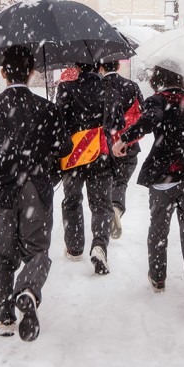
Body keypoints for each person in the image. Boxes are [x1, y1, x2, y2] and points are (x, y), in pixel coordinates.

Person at [0, 46, 70, 342]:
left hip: (3, 189)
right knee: (37, 250)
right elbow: (65, 149)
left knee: (5, 251)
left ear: (2, 72)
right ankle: (27, 290)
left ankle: (5, 313)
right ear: (32, 73)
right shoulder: (47, 109)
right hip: (36, 187)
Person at [111, 63, 184, 313]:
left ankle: (158, 277)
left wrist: (124, 139)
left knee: (159, 227)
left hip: (163, 177)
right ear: (181, 79)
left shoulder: (156, 101)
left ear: (157, 81)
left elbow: (151, 120)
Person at [56, 61, 124, 275]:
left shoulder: (66, 88)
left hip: (73, 156)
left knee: (72, 200)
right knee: (102, 204)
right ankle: (99, 246)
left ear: (77, 66)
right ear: (100, 67)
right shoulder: (110, 91)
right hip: (101, 155)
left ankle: (75, 248)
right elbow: (117, 124)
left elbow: (59, 123)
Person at [99, 59, 145, 239]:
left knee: (104, 181)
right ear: (118, 67)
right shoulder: (132, 86)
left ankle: (104, 214)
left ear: (101, 68)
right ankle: (116, 207)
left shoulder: (99, 87)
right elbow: (143, 114)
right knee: (121, 182)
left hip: (103, 145)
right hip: (129, 144)